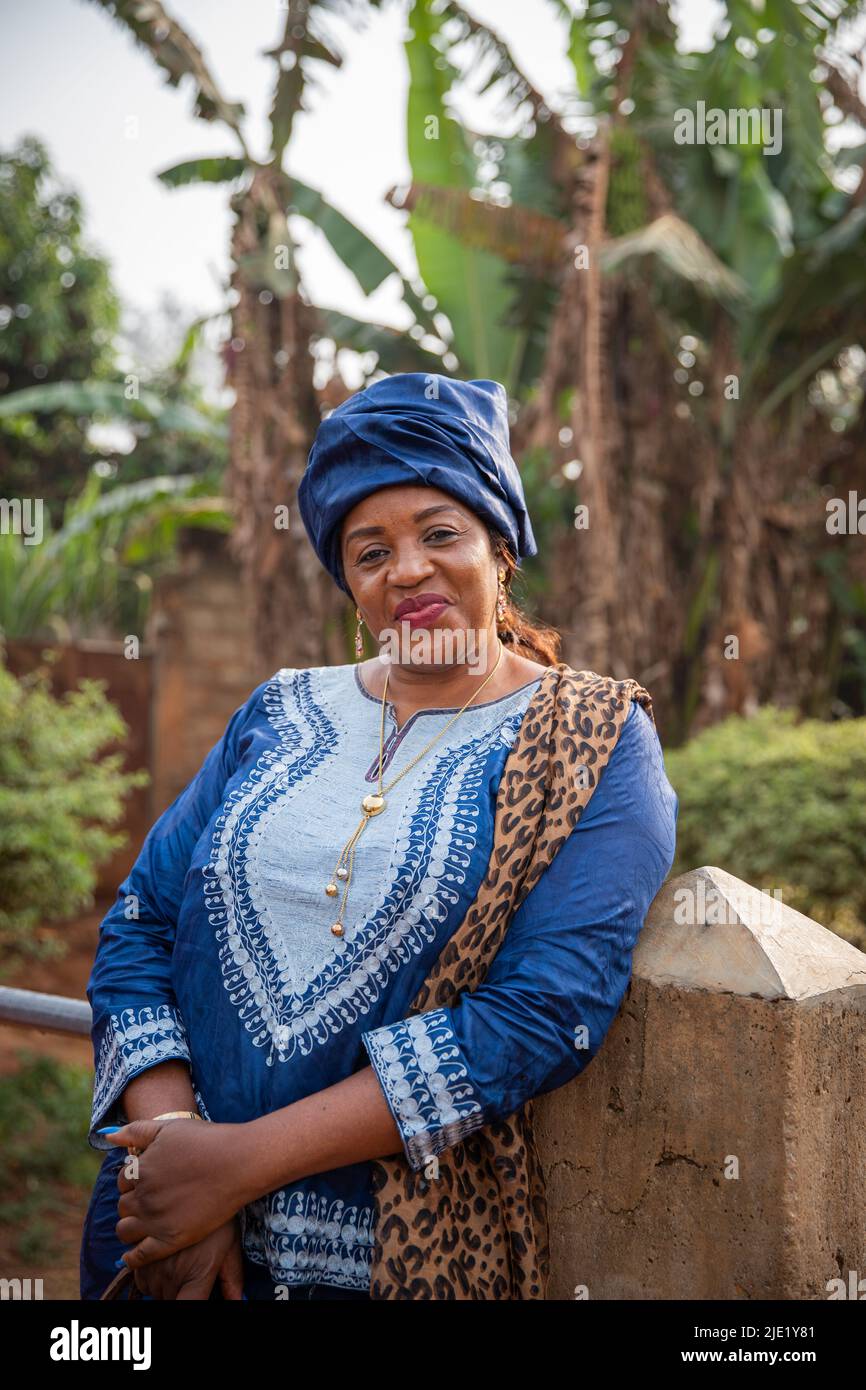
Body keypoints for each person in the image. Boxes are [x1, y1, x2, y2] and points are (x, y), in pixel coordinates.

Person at [79, 373, 678, 1301]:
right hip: (165, 1247)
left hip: (388, 1260)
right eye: (369, 552)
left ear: (500, 545)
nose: (406, 571)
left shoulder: (592, 739)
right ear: (346, 578)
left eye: (440, 533)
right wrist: (174, 1167)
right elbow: (140, 925)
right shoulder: (277, 710)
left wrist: (236, 1168)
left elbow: (540, 1015)